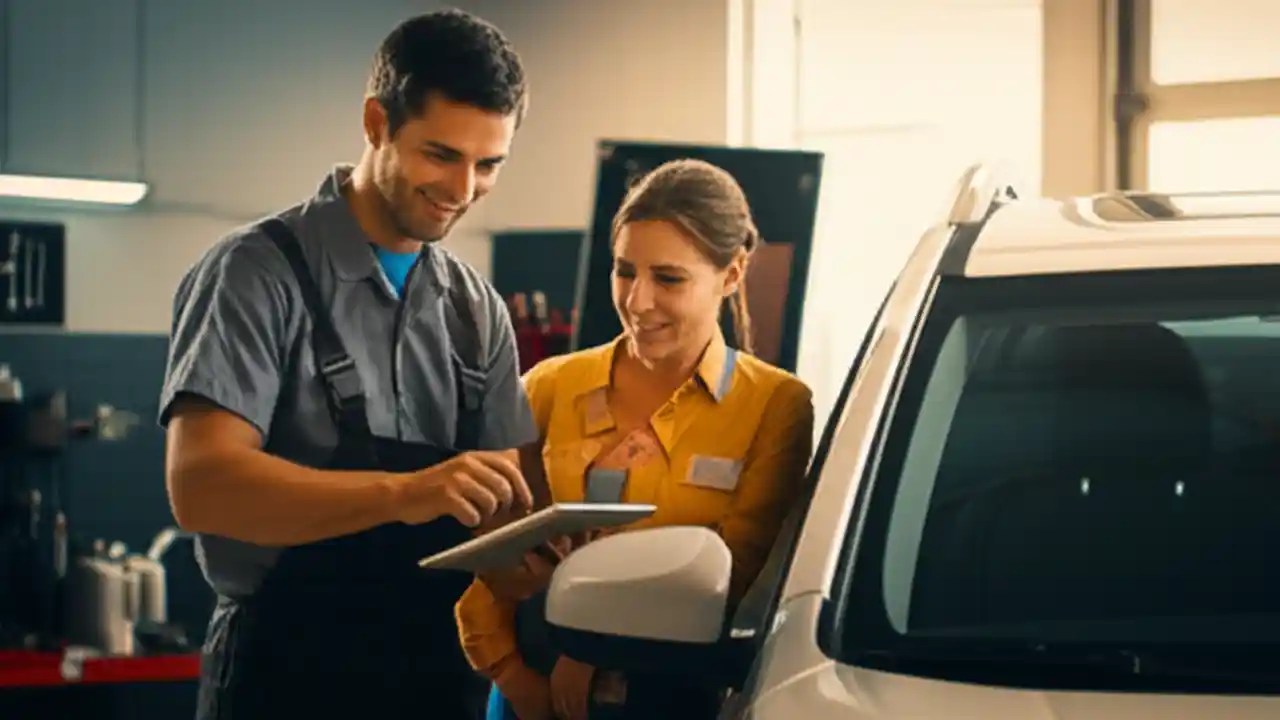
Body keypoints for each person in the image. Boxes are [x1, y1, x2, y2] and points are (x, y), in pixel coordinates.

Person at [157, 10, 537, 718]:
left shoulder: (474, 309)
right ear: (376, 123)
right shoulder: (254, 275)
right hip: (283, 677)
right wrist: (405, 492)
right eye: (441, 154)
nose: (463, 188)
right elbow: (201, 486)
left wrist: (551, 553)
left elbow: (500, 523)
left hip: (432, 679)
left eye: (488, 165)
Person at [455, 159, 816, 720]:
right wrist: (511, 675)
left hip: (670, 698)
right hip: (531, 681)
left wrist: (593, 642)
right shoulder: (550, 386)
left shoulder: (775, 406)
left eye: (668, 278)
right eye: (625, 272)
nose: (638, 300)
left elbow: (736, 578)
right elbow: (496, 554)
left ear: (733, 273)